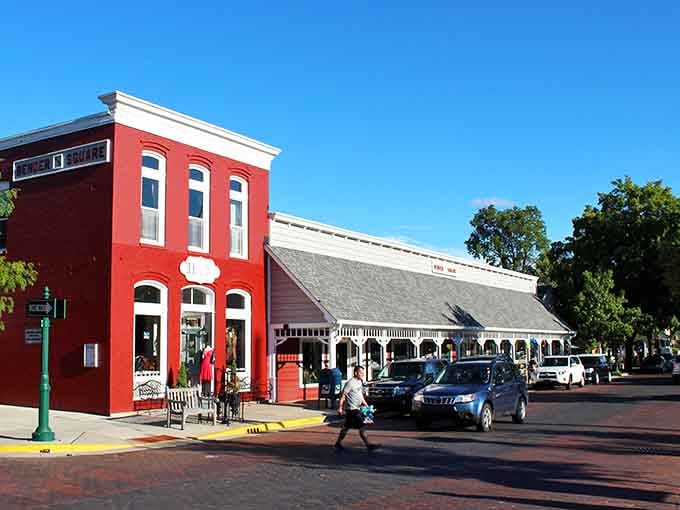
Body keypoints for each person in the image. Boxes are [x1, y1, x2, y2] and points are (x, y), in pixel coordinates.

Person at [334, 366, 380, 451]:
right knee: (362, 426)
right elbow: (342, 396)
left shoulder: (359, 382)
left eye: (363, 373)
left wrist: (366, 405)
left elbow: (360, 395)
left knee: (346, 427)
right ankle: (368, 445)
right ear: (355, 373)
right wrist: (340, 408)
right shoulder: (350, 383)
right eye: (361, 373)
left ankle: (337, 443)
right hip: (352, 410)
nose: (362, 374)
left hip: (357, 408)